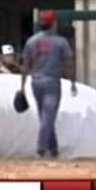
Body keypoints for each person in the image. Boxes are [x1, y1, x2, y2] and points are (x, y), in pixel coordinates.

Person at [20, 10, 78, 159]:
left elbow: (25, 64)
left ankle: (54, 150)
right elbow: (68, 63)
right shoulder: (61, 42)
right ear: (53, 23)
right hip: (51, 81)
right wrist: (72, 81)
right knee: (48, 117)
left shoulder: (31, 41)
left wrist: (22, 85)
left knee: (44, 116)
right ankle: (41, 149)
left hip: (35, 81)